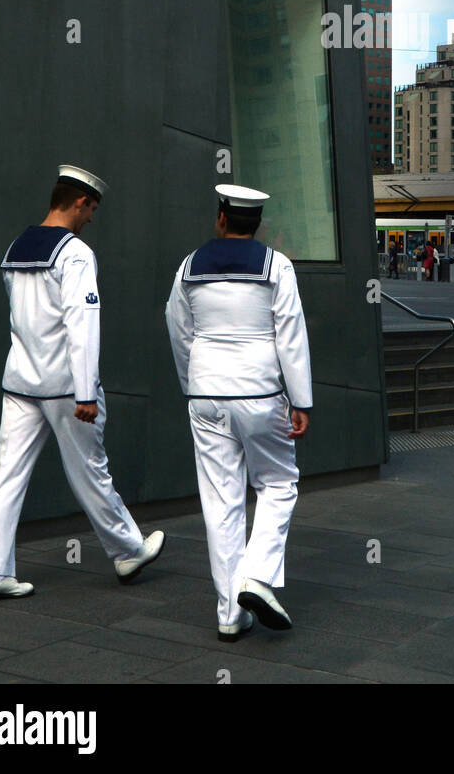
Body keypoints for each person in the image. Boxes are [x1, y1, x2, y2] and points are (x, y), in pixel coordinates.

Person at [0, 166, 164, 604]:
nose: (92, 218)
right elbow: (82, 322)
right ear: (80, 202)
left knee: (5, 476)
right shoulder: (75, 253)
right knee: (89, 472)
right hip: (64, 386)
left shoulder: (16, 245)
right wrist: (85, 392)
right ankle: (129, 550)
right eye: (92, 209)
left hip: (20, 381)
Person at [165, 183, 312, 642]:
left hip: (206, 393)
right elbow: (290, 333)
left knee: (221, 500)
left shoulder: (189, 267)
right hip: (261, 392)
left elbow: (177, 326)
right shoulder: (276, 266)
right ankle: (257, 577)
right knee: (278, 483)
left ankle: (230, 612)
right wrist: (301, 399)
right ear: (258, 225)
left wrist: (194, 380)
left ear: (221, 219)